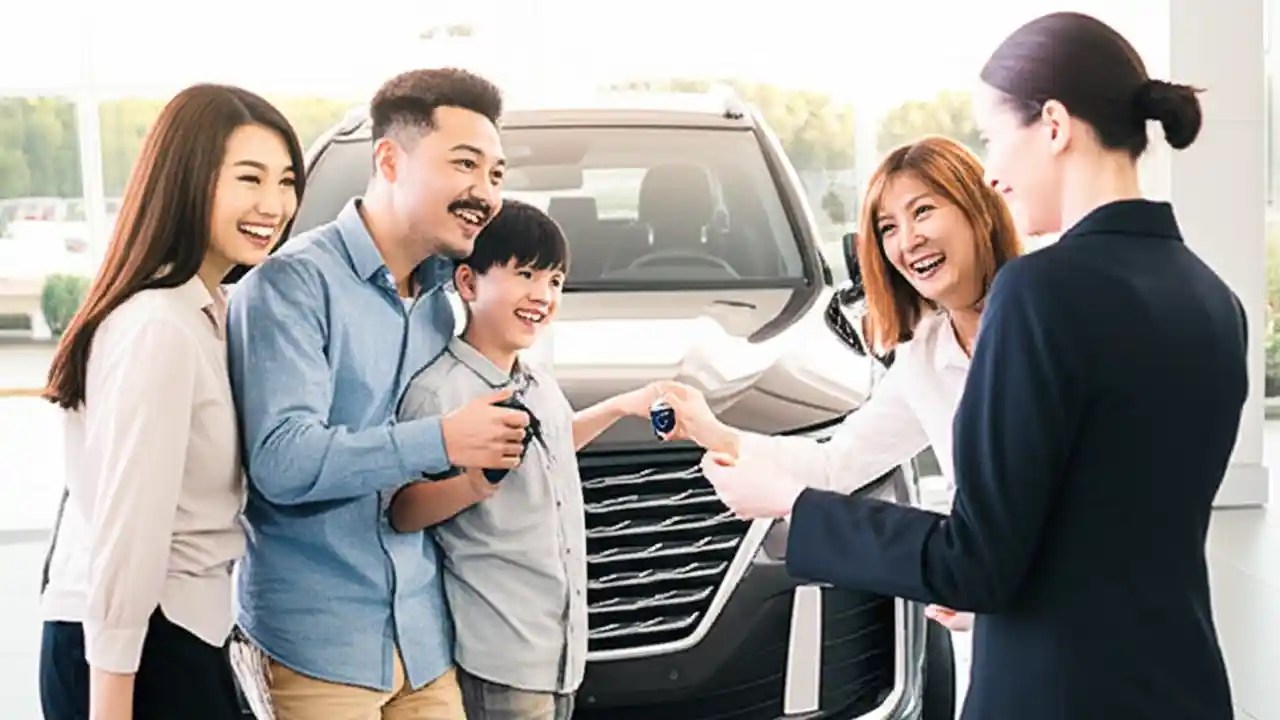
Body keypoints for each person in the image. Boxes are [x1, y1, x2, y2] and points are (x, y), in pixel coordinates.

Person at [700, 11, 1245, 719]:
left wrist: (792, 507)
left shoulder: (1039, 292)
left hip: (1054, 693)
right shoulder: (1213, 298)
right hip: (1185, 687)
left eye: (993, 138)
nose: (991, 170)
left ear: (1053, 125)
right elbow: (1104, 524)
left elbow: (974, 563)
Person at [225, 68, 519, 719]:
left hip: (426, 640)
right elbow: (282, 460)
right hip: (317, 648)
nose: (486, 193)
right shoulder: (291, 286)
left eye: (497, 174)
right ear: (390, 158)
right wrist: (441, 439)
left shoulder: (449, 303)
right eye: (465, 164)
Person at [661, 135, 1022, 633]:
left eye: (923, 212)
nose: (907, 240)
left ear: (979, 208)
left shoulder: (1043, 322)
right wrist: (715, 433)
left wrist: (990, 587)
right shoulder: (924, 355)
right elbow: (837, 464)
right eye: (888, 227)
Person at [37, 83, 305, 720]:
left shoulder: (207, 311)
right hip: (134, 649)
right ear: (189, 179)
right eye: (249, 178)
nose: (274, 204)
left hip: (179, 633)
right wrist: (111, 705)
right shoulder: (158, 324)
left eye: (287, 181)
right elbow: (128, 538)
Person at [389, 199, 671, 720]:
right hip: (501, 657)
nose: (542, 295)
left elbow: (554, 444)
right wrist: (473, 483)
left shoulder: (537, 383)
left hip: (560, 653)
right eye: (525, 274)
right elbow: (401, 510)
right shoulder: (438, 392)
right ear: (469, 284)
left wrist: (619, 407)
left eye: (556, 281)